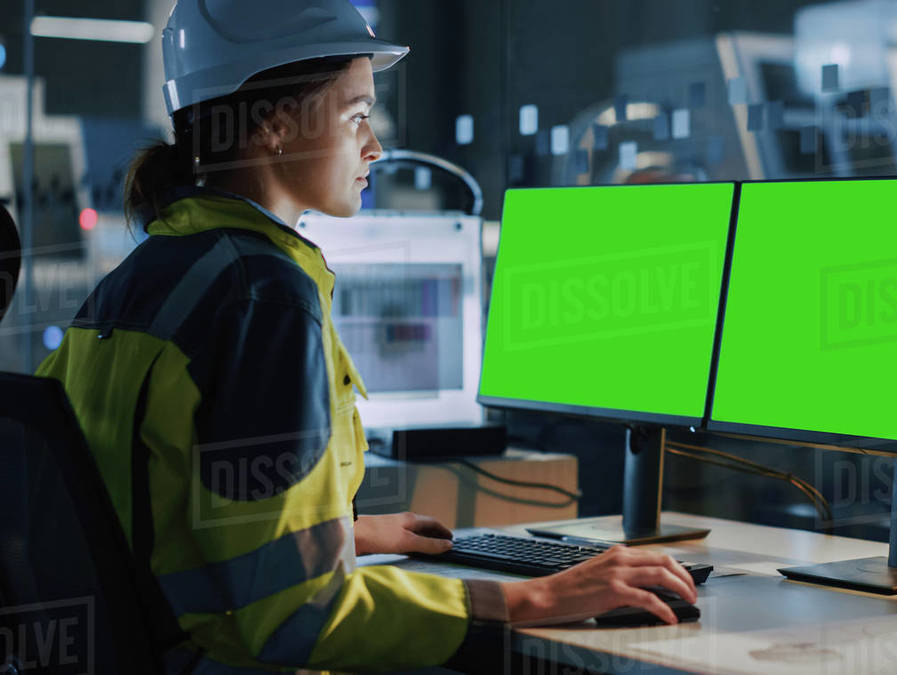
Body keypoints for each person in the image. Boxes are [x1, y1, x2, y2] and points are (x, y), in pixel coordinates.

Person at [35, 1, 696, 672]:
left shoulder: (143, 275)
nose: (374, 146)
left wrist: (339, 533)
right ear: (274, 127)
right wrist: (535, 596)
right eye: (356, 116)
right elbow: (300, 618)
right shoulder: (264, 294)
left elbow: (139, 522)